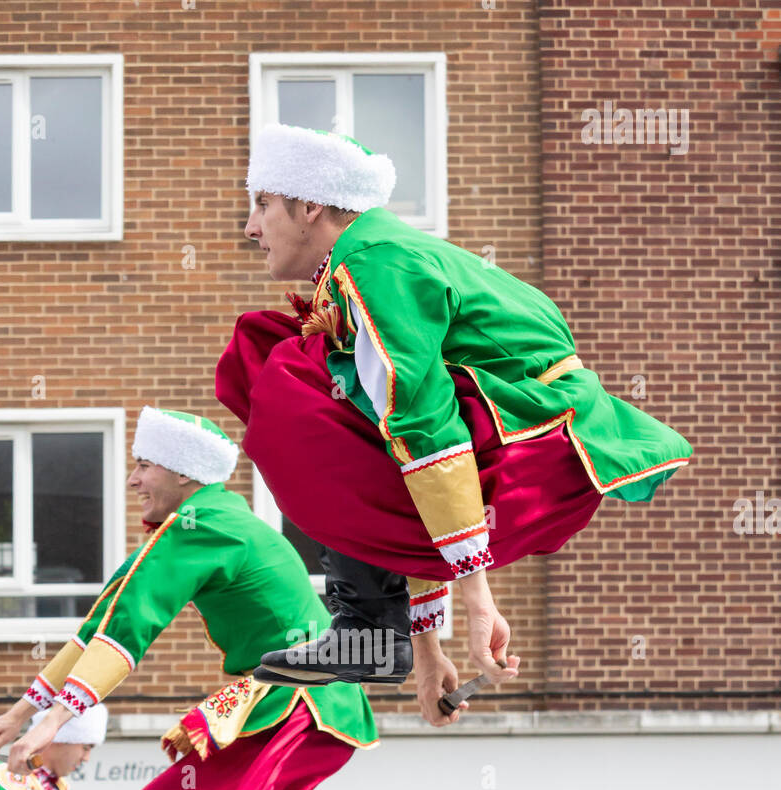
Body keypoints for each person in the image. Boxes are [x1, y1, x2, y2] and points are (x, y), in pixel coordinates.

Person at [215, 123, 694, 725]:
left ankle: (369, 622)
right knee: (273, 353)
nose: (251, 227)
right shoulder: (364, 261)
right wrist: (425, 648)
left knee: (287, 369)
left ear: (310, 205)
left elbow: (423, 423)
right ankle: (372, 628)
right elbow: (392, 459)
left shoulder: (375, 261)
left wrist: (477, 599)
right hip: (516, 436)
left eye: (261, 204)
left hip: (536, 442)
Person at [0, 408, 377, 790]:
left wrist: (53, 721)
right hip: (305, 697)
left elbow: (128, 633)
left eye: (143, 465)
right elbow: (100, 626)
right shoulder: (208, 519)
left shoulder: (199, 524)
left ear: (185, 475)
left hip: (302, 700)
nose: (133, 480)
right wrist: (21, 712)